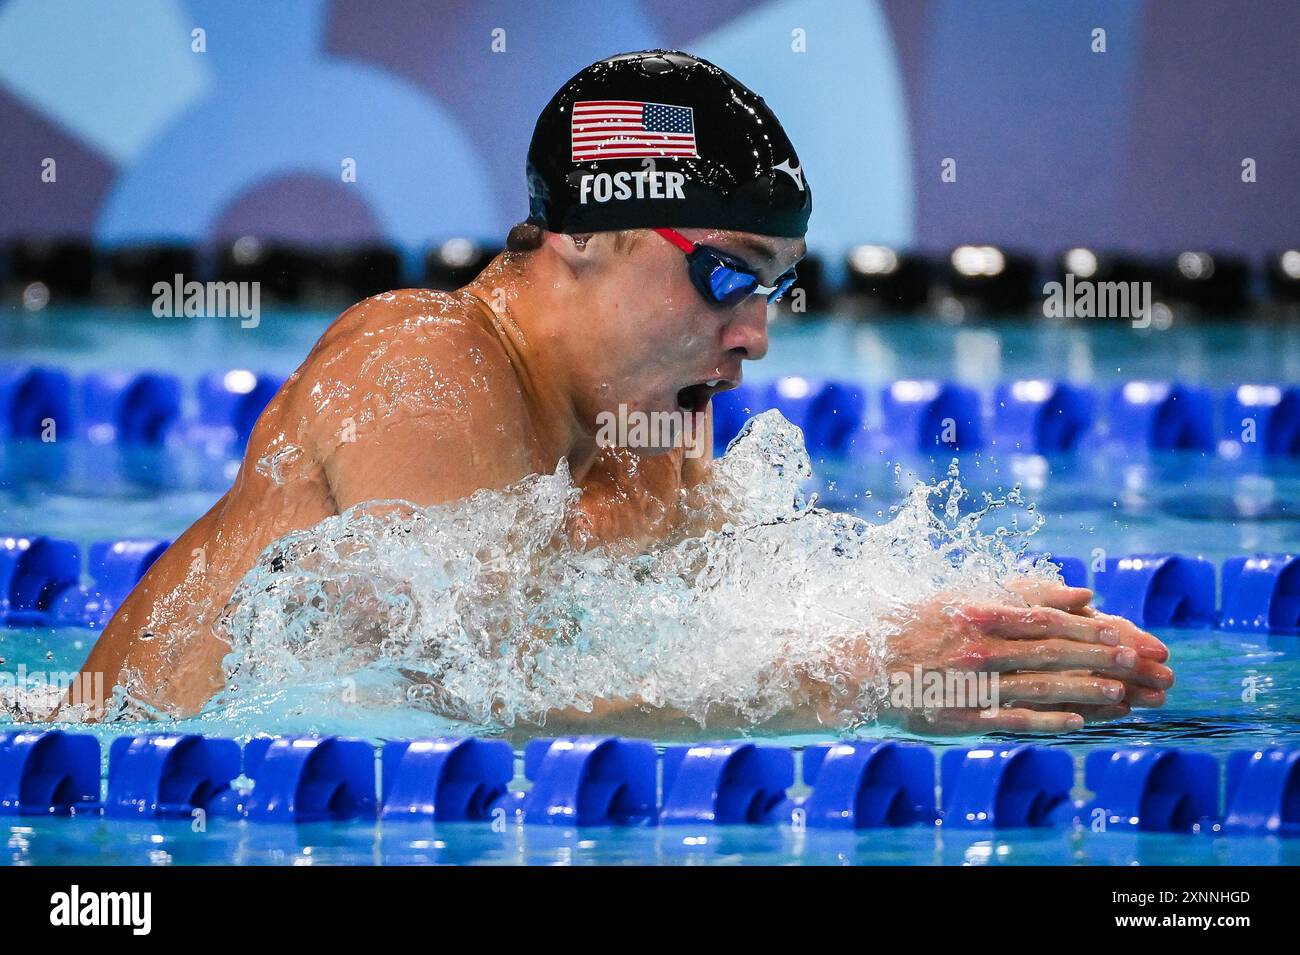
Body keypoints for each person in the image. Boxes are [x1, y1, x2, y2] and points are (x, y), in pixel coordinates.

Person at [71, 49, 1172, 731]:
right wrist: (867, 677)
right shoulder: (419, 365)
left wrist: (980, 638)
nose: (754, 334)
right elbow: (480, 708)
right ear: (584, 237)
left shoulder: (641, 429)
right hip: (112, 790)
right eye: (727, 272)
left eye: (777, 288)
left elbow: (724, 637)